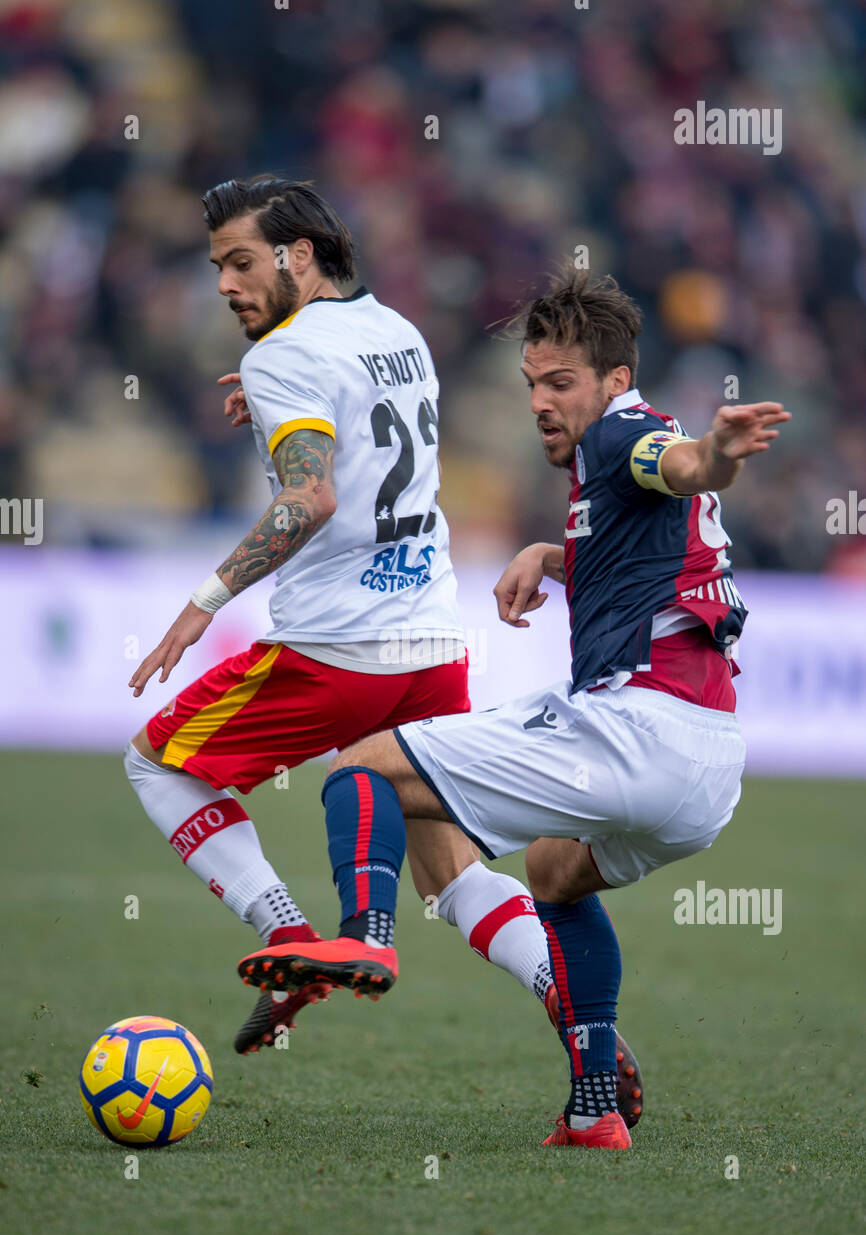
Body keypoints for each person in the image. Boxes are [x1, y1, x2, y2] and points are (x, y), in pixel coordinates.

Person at [122, 181, 641, 1120]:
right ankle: (584, 1027)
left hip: (336, 648)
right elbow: (352, 425)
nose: (228, 286)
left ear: (299, 256)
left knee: (157, 762)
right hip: (432, 640)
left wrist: (205, 603)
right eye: (218, 270)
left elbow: (309, 499)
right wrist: (275, 391)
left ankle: (290, 936)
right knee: (449, 869)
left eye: (242, 263)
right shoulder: (396, 329)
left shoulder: (286, 359)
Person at [238, 269, 790, 1150]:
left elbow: (680, 468)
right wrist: (547, 551)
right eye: (531, 382)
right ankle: (593, 1110)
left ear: (614, 380)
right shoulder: (613, 456)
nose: (539, 401)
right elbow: (656, 543)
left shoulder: (624, 435)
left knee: (362, 768)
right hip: (708, 770)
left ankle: (367, 938)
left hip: (635, 726)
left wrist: (716, 453)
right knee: (554, 875)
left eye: (560, 382)